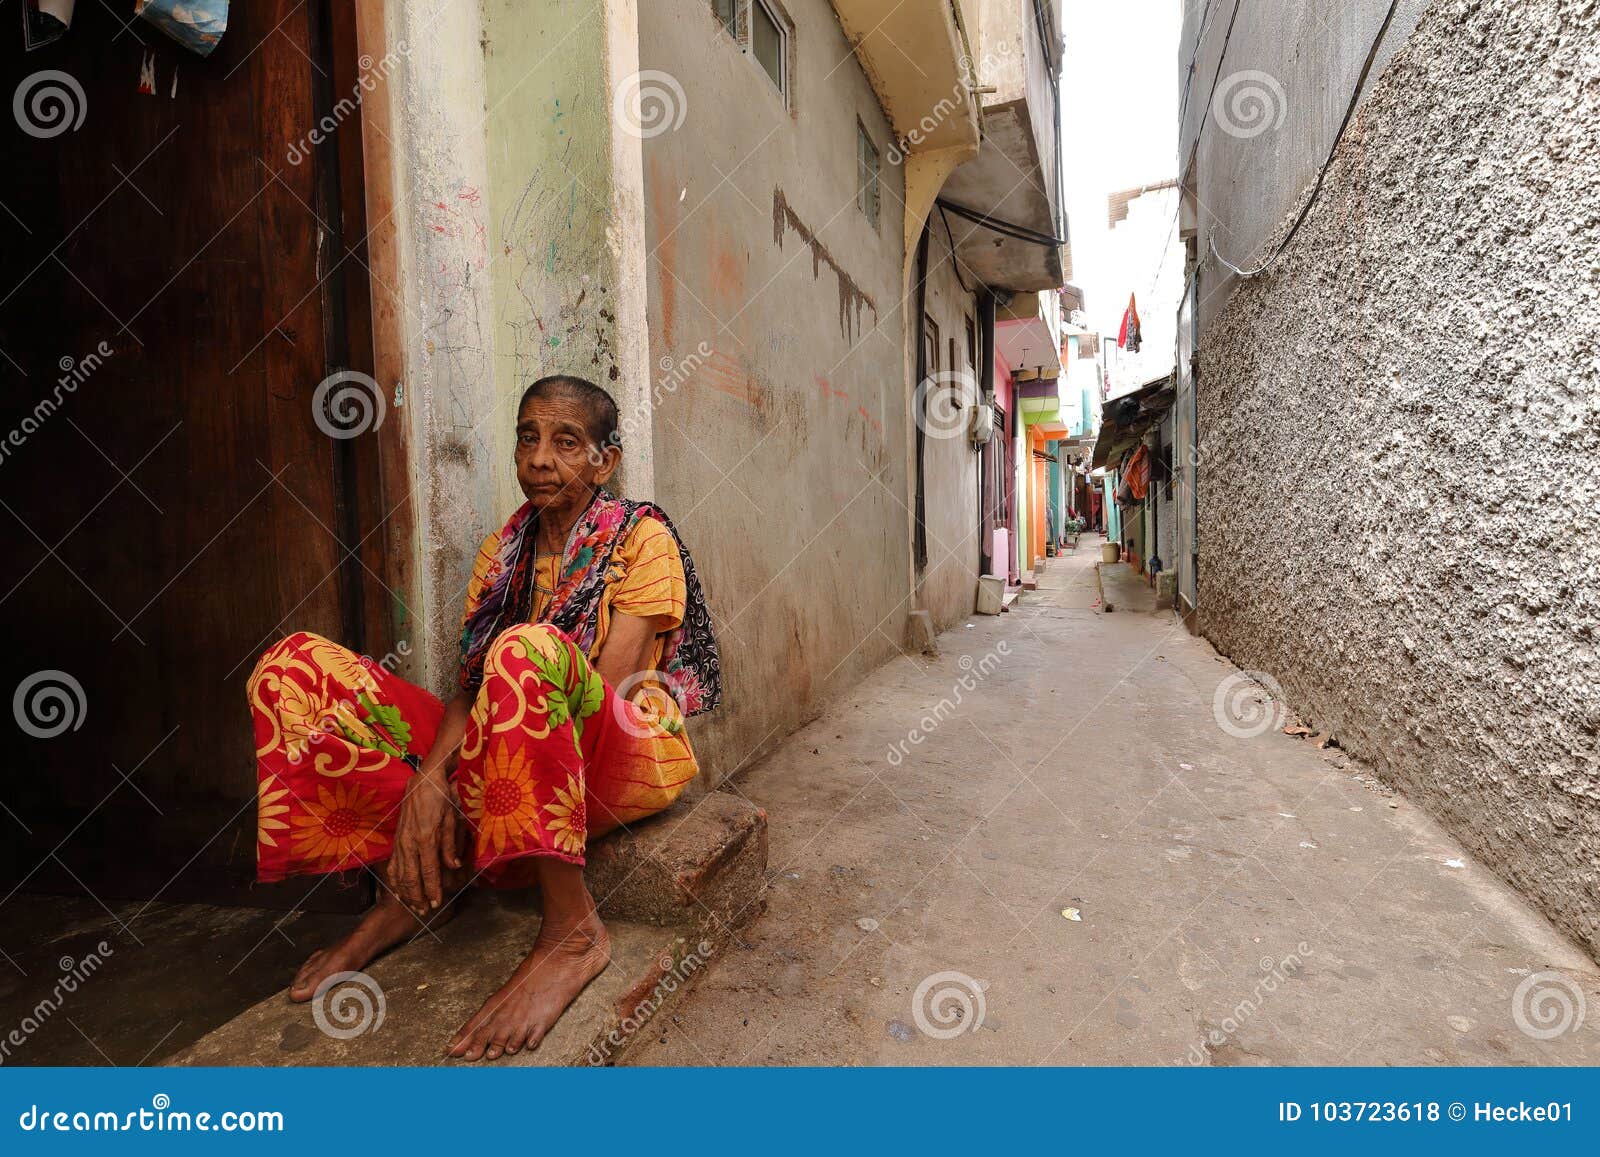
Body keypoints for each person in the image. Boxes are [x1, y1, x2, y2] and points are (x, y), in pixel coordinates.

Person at [248, 375, 721, 1061]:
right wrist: (431, 781)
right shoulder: (505, 549)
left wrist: (472, 760)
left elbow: (603, 690)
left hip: (616, 748)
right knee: (292, 669)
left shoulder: (641, 538)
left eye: (566, 442)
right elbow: (470, 690)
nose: (540, 458)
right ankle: (412, 891)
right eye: (529, 438)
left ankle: (572, 929)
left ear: (605, 462)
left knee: (526, 651)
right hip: (509, 742)